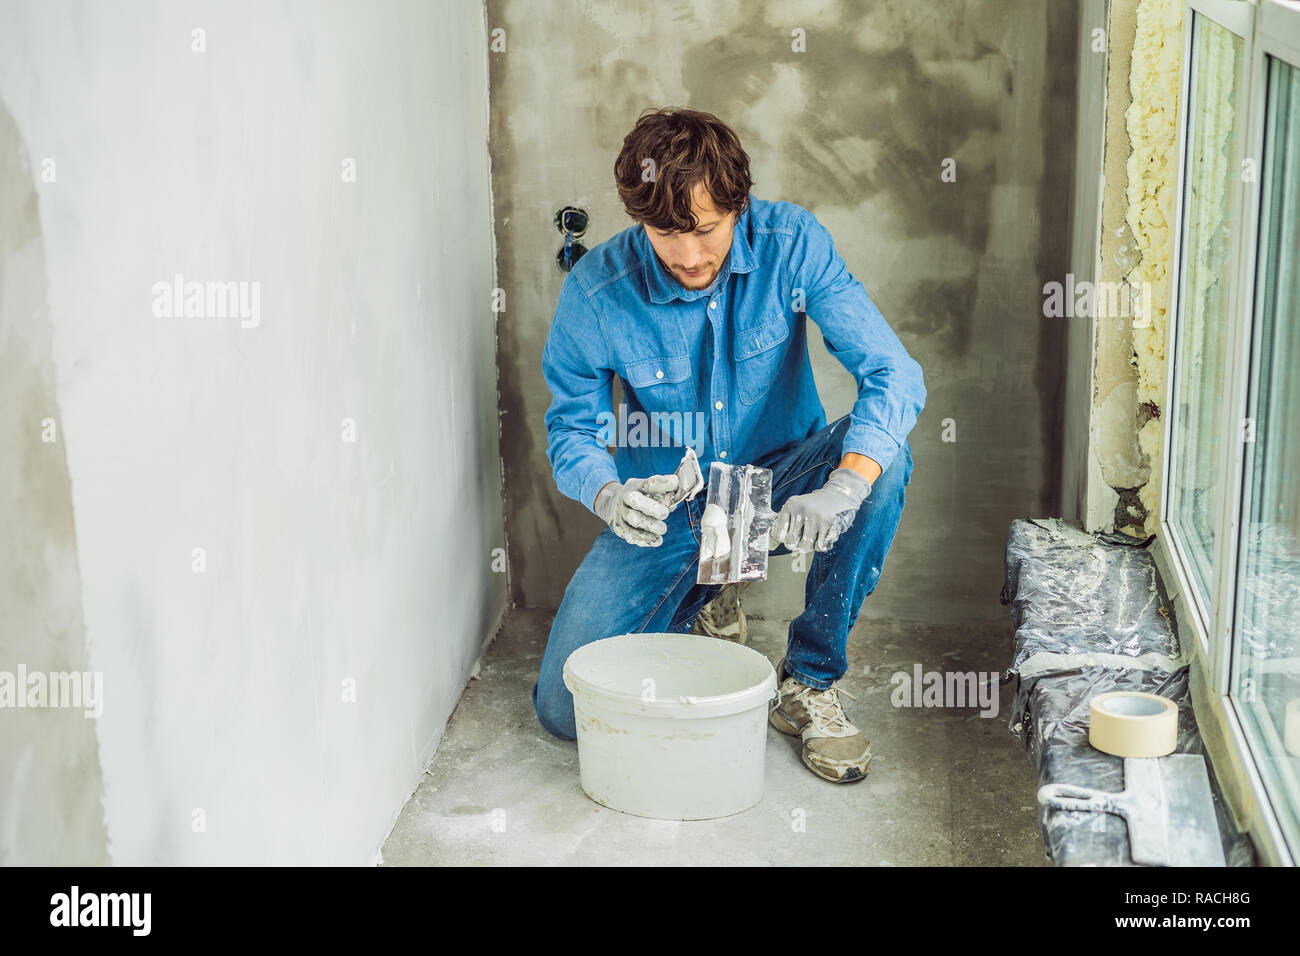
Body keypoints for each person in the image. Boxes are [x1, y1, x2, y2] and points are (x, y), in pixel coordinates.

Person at [533, 107, 925, 783]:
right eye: (664, 234)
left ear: (738, 207)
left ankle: (809, 680)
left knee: (883, 464)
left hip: (779, 487)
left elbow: (893, 374)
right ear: (638, 219)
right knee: (567, 712)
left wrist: (846, 483)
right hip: (670, 517)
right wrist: (607, 493)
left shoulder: (792, 243)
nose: (688, 257)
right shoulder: (597, 291)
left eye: (706, 230)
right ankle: (711, 590)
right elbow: (573, 430)